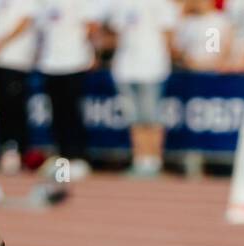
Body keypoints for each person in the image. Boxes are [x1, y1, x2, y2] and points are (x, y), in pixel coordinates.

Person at [91, 0, 179, 177]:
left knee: (151, 116)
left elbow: (169, 35)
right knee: (133, 117)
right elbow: (113, 34)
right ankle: (140, 159)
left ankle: (154, 160)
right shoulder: (120, 4)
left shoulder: (163, 4)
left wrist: (174, 58)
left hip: (152, 67)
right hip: (125, 68)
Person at [0, 0, 38, 175]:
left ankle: (20, 150)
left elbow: (25, 22)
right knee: (1, 107)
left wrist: (0, 43)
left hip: (16, 60)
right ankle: (4, 149)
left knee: (15, 107)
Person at [36, 0, 95, 177]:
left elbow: (92, 25)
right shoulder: (44, 4)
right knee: (56, 114)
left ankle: (78, 157)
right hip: (50, 63)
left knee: (72, 113)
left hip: (74, 62)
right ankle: (63, 158)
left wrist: (90, 51)